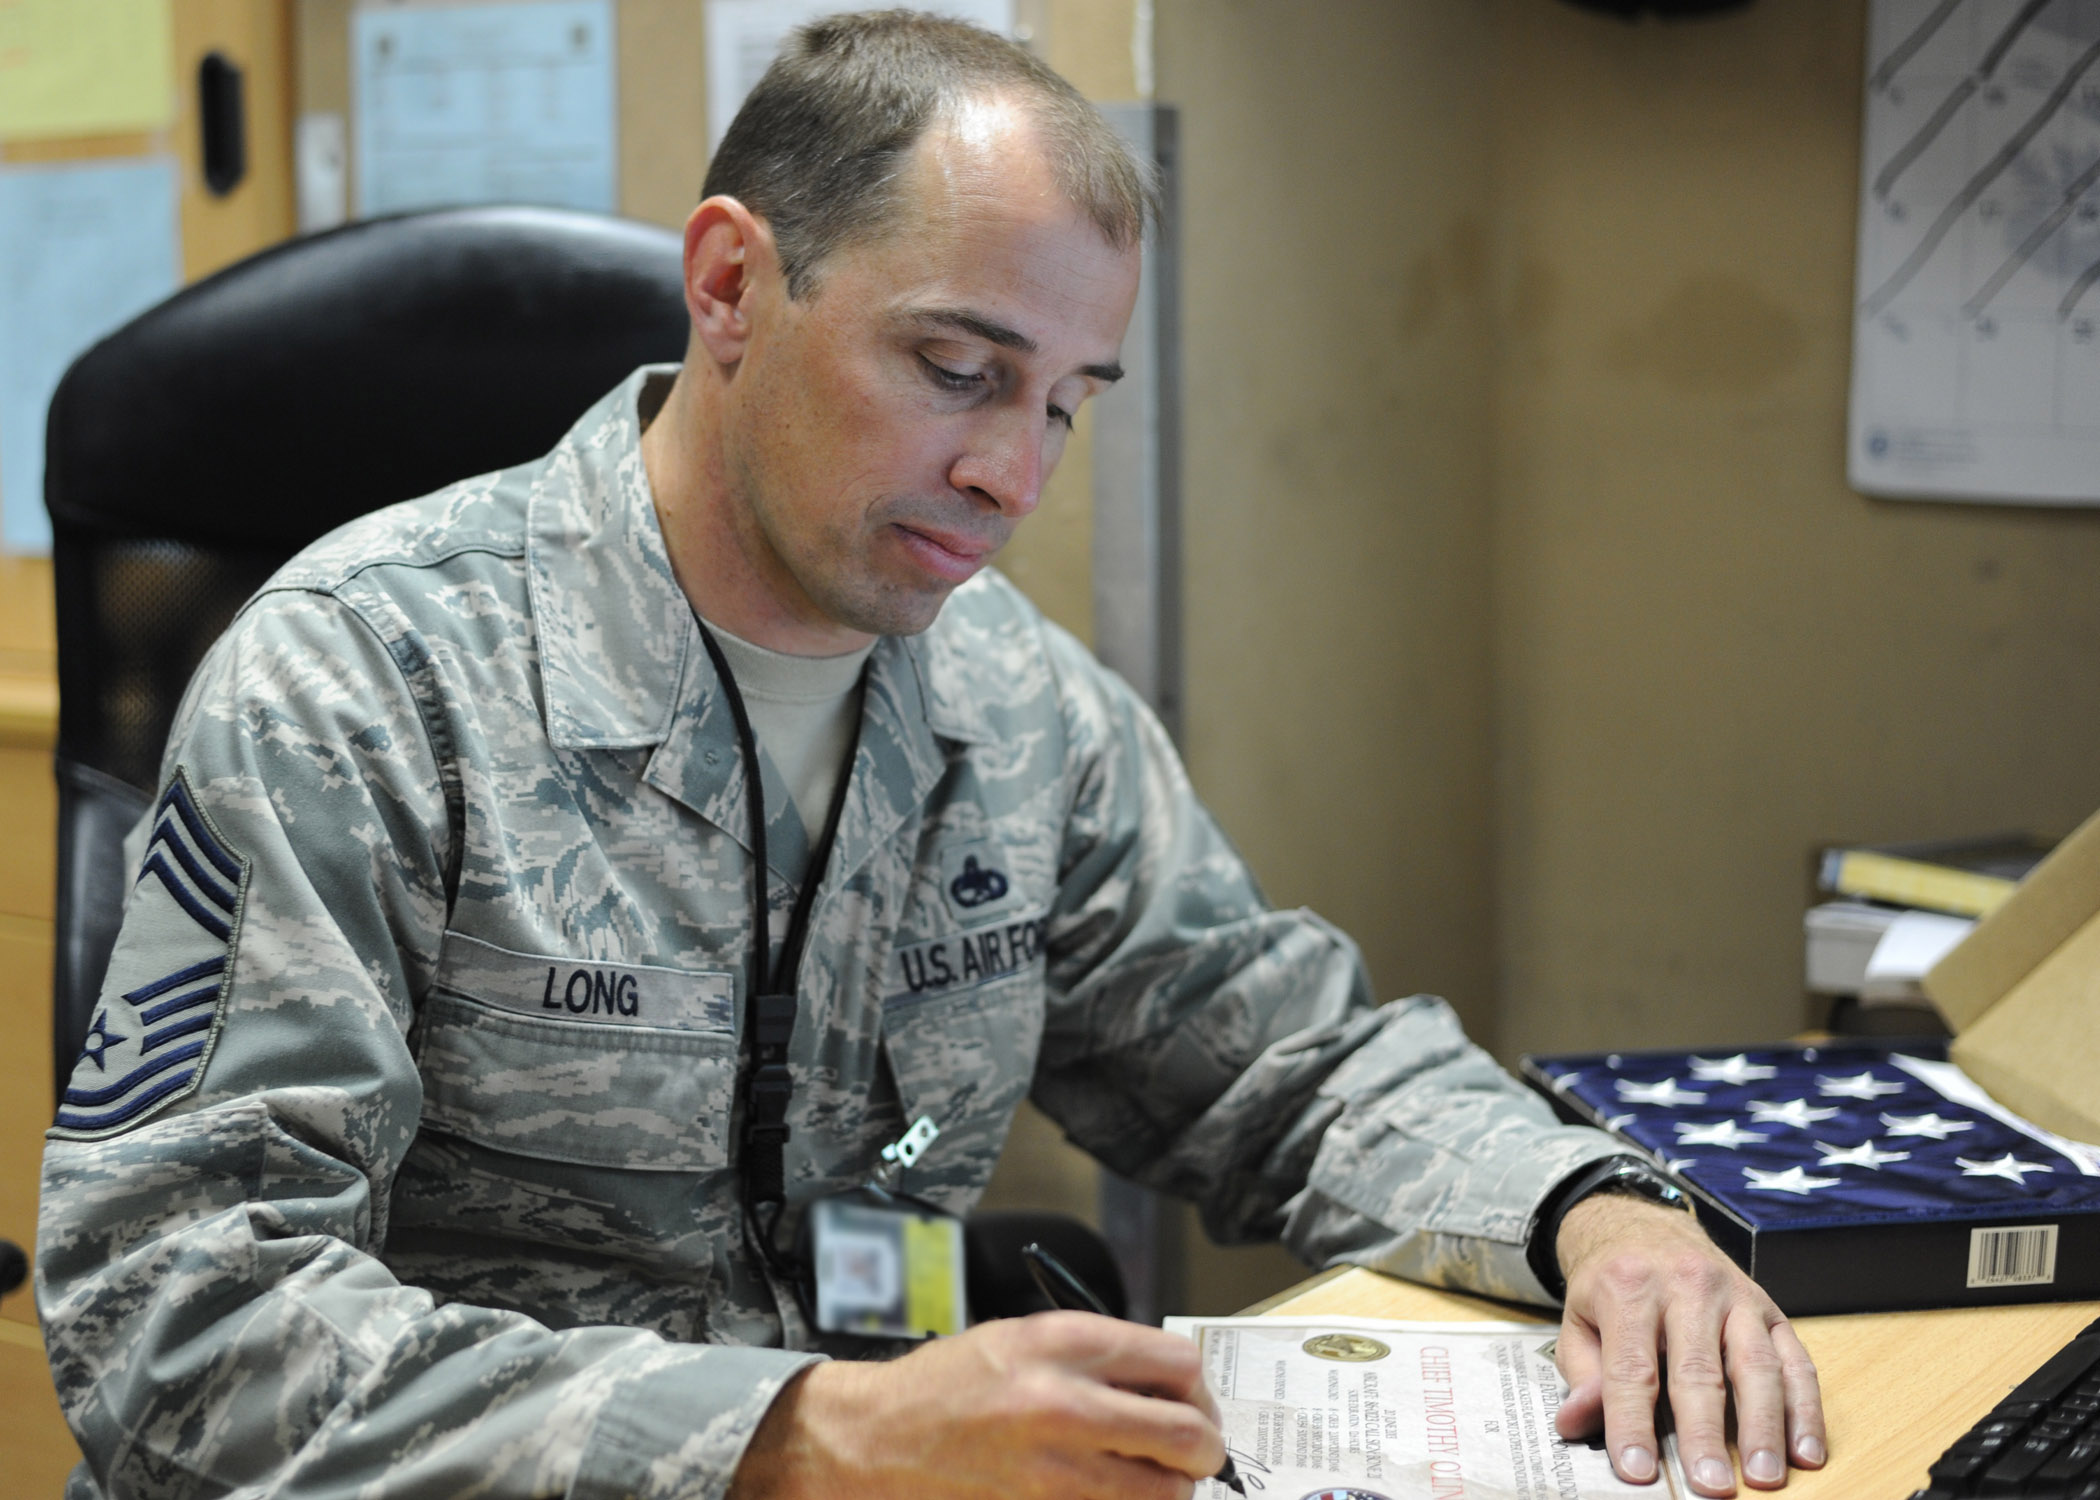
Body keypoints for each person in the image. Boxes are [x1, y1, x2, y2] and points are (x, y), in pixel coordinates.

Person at [38, 12, 1823, 1500]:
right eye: (958, 368)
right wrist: (808, 1433)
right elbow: (176, 1318)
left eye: (1064, 399)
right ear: (733, 285)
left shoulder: (1008, 706)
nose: (1015, 475)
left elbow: (1283, 1061)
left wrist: (1596, 1212)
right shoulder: (366, 679)